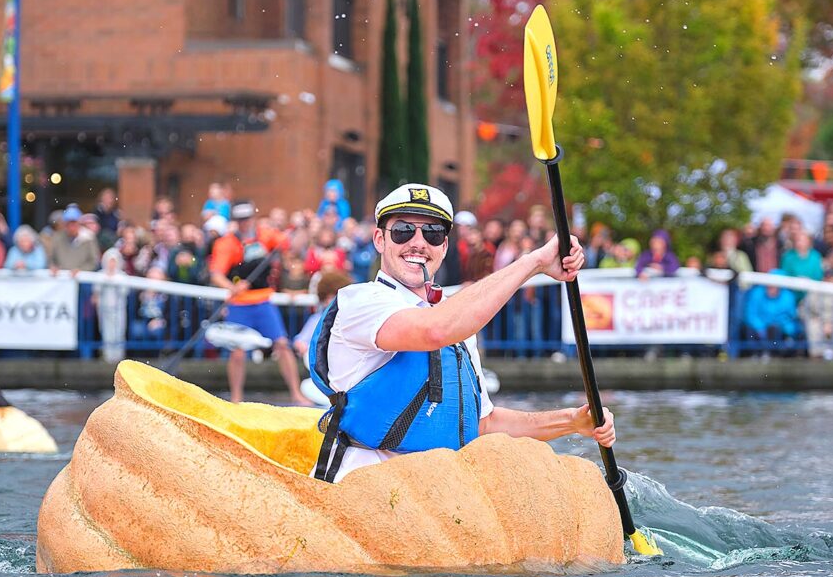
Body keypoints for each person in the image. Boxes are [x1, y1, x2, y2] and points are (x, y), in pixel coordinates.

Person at [307, 183, 614, 484]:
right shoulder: (359, 301)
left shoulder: (460, 325)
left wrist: (572, 421)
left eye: (432, 233)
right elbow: (434, 331)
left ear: (444, 247)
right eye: (402, 231)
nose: (418, 243)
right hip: (359, 489)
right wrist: (534, 262)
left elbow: (485, 424)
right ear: (379, 239)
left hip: (439, 496)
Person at [208, 200, 311, 405]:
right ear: (235, 221)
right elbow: (216, 274)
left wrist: (304, 226)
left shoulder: (266, 235)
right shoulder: (226, 243)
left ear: (252, 218)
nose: (245, 223)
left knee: (282, 344)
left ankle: (295, 394)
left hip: (263, 300)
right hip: (239, 302)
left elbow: (294, 246)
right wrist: (232, 287)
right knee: (238, 351)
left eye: (247, 219)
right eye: (240, 220)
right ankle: (236, 399)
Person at [799, 269, 833, 360]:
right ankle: (816, 356)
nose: (829, 281)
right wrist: (821, 321)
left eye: (831, 278)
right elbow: (805, 308)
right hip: (819, 320)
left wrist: (831, 323)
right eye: (827, 278)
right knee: (812, 326)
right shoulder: (815, 290)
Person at [48, 204, 100, 274]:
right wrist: (54, 267)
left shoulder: (89, 238)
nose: (71, 227)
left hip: (83, 279)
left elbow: (93, 261)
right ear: (64, 224)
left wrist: (80, 270)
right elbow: (52, 258)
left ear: (79, 223)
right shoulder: (57, 237)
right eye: (68, 224)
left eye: (74, 223)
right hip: (62, 279)